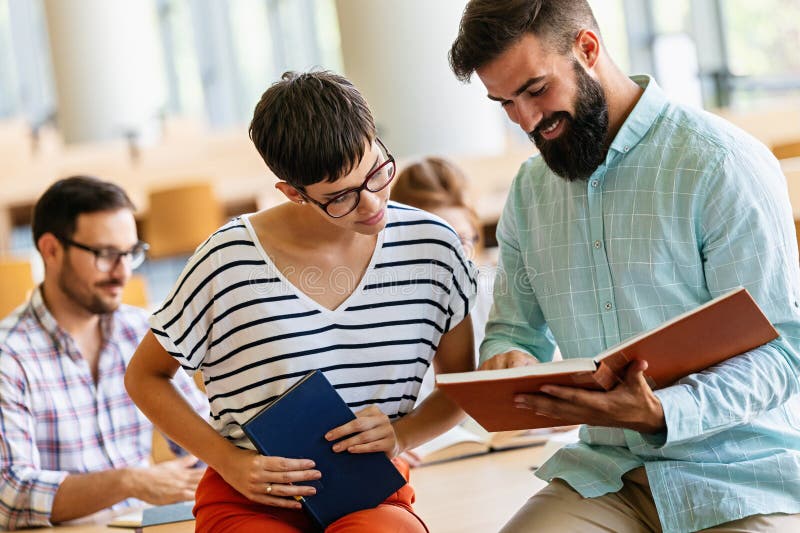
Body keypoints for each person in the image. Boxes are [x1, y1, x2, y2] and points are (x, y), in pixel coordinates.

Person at [448, 1, 800, 532]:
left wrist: (663, 412)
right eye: (505, 103)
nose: (526, 120)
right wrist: (508, 357)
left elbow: (784, 354)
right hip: (608, 474)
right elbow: (515, 329)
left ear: (587, 48)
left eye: (536, 90)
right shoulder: (530, 192)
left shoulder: (721, 164)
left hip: (741, 475)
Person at [124, 70, 477, 532]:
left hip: (367, 491)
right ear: (293, 192)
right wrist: (229, 462)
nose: (372, 204)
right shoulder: (228, 258)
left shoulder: (433, 246)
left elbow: (459, 388)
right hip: (251, 496)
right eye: (340, 197)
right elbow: (145, 377)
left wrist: (401, 435)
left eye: (376, 173)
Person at [0, 176, 210, 530]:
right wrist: (130, 481)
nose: (123, 272)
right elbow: (9, 493)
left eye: (130, 253)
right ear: (51, 250)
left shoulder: (139, 331)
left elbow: (205, 438)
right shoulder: (9, 356)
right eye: (106, 255)